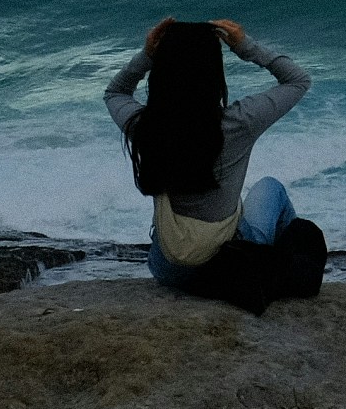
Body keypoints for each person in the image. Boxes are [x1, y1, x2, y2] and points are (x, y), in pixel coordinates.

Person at [107, 17, 326, 310]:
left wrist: (147, 55)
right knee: (271, 188)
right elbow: (298, 80)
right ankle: (266, 271)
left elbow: (115, 92)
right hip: (224, 260)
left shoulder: (146, 127)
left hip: (167, 268)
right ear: (213, 72)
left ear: (162, 71)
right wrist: (245, 46)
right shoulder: (239, 122)